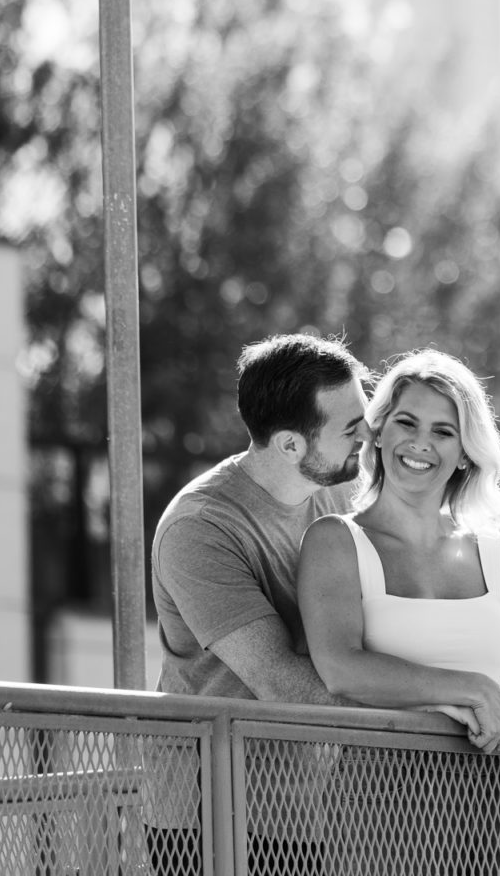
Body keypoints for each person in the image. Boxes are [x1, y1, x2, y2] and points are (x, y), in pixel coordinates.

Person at [297, 348, 500, 766]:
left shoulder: (498, 554)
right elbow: (341, 670)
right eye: (406, 422)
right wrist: (473, 687)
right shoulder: (336, 541)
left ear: (466, 453)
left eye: (443, 432)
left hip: (496, 800)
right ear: (378, 431)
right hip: (374, 798)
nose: (421, 443)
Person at [148, 331, 371, 874]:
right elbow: (277, 680)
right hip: (215, 817)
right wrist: (434, 709)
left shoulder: (341, 488)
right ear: (293, 445)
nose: (369, 436)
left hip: (316, 806)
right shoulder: (200, 527)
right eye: (351, 429)